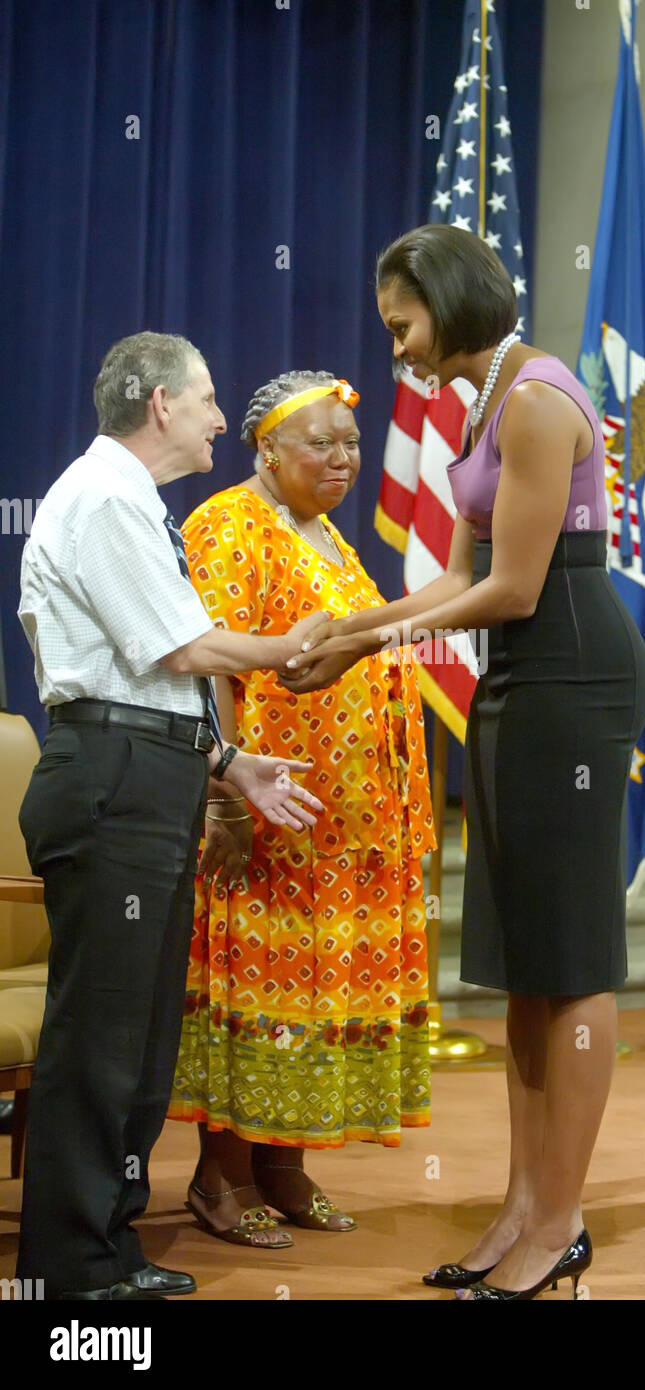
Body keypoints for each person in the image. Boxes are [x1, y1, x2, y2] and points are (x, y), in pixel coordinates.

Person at [282, 225, 645, 1300]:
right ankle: (523, 1205)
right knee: (524, 964)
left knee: (568, 956)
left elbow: (514, 589)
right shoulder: (484, 397)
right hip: (514, 683)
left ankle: (560, 1222)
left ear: (445, 300)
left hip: (570, 679)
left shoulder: (535, 398)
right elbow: (454, 574)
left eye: (400, 321)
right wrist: (355, 626)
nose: (392, 343)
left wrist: (359, 638)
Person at [16, 332, 324, 1300]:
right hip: (110, 781)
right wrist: (292, 644)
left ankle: (108, 1243)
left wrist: (229, 763)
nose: (218, 419)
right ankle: (70, 1266)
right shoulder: (104, 494)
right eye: (205, 400)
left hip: (143, 772)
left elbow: (140, 676)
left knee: (141, 1037)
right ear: (158, 402)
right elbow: (181, 650)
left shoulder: (125, 500)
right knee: (101, 1035)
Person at [167, 371, 434, 1247]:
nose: (342, 459)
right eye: (320, 442)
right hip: (274, 819)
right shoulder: (228, 524)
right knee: (262, 989)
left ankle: (283, 1168)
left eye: (351, 444)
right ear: (267, 449)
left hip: (346, 829)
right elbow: (212, 665)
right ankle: (221, 1178)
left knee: (315, 999)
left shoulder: (321, 533)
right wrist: (228, 802)